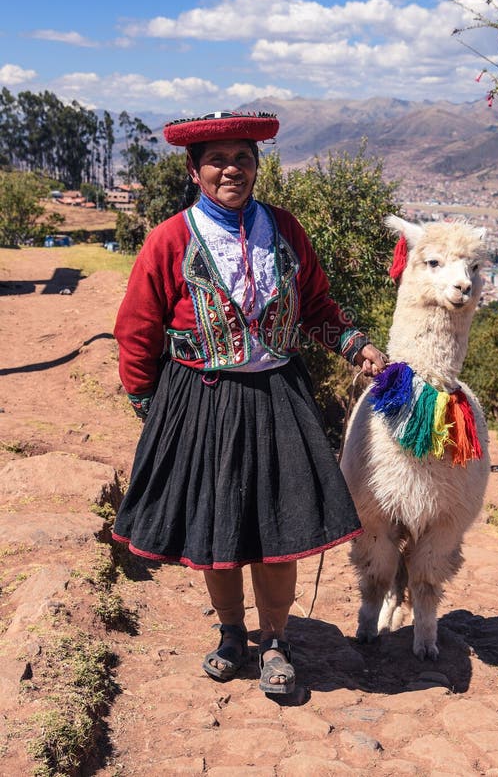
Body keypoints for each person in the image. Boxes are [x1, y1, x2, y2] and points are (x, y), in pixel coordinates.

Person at [112, 110, 387, 696]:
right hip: (202, 399)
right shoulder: (171, 239)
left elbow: (315, 305)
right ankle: (233, 634)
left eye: (243, 158)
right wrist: (147, 403)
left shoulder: (284, 230)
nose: (230, 169)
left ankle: (278, 641)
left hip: (278, 397)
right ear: (195, 171)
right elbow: (137, 327)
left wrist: (355, 344)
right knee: (220, 527)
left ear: (258, 167)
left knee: (280, 526)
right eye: (217, 160)